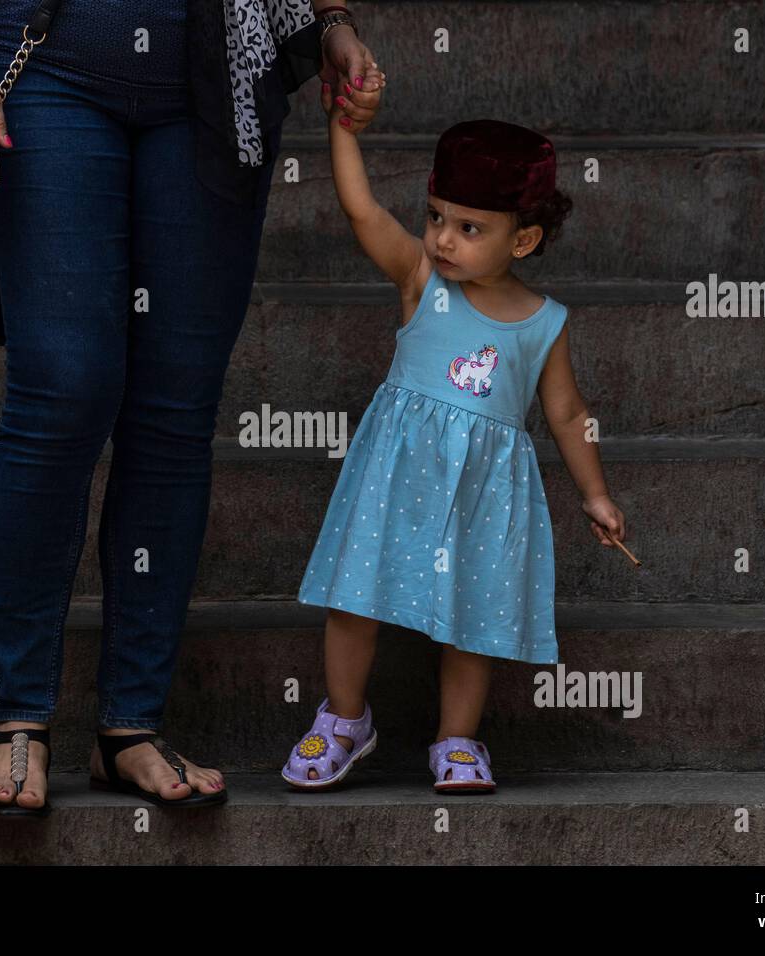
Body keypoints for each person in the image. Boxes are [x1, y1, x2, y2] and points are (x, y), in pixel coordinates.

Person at [0, 0, 383, 812]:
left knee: (175, 407)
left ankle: (129, 724)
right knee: (63, 386)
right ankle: (18, 718)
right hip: (51, 53)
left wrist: (333, 19)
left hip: (214, 75)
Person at [284, 106, 630, 792]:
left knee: (473, 617)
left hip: (481, 494)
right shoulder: (421, 280)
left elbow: (565, 413)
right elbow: (361, 209)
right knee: (353, 599)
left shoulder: (544, 324)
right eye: (436, 216)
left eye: (470, 228)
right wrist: (342, 122)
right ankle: (344, 720)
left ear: (524, 239)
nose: (443, 238)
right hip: (395, 478)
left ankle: (459, 740)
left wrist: (594, 492)